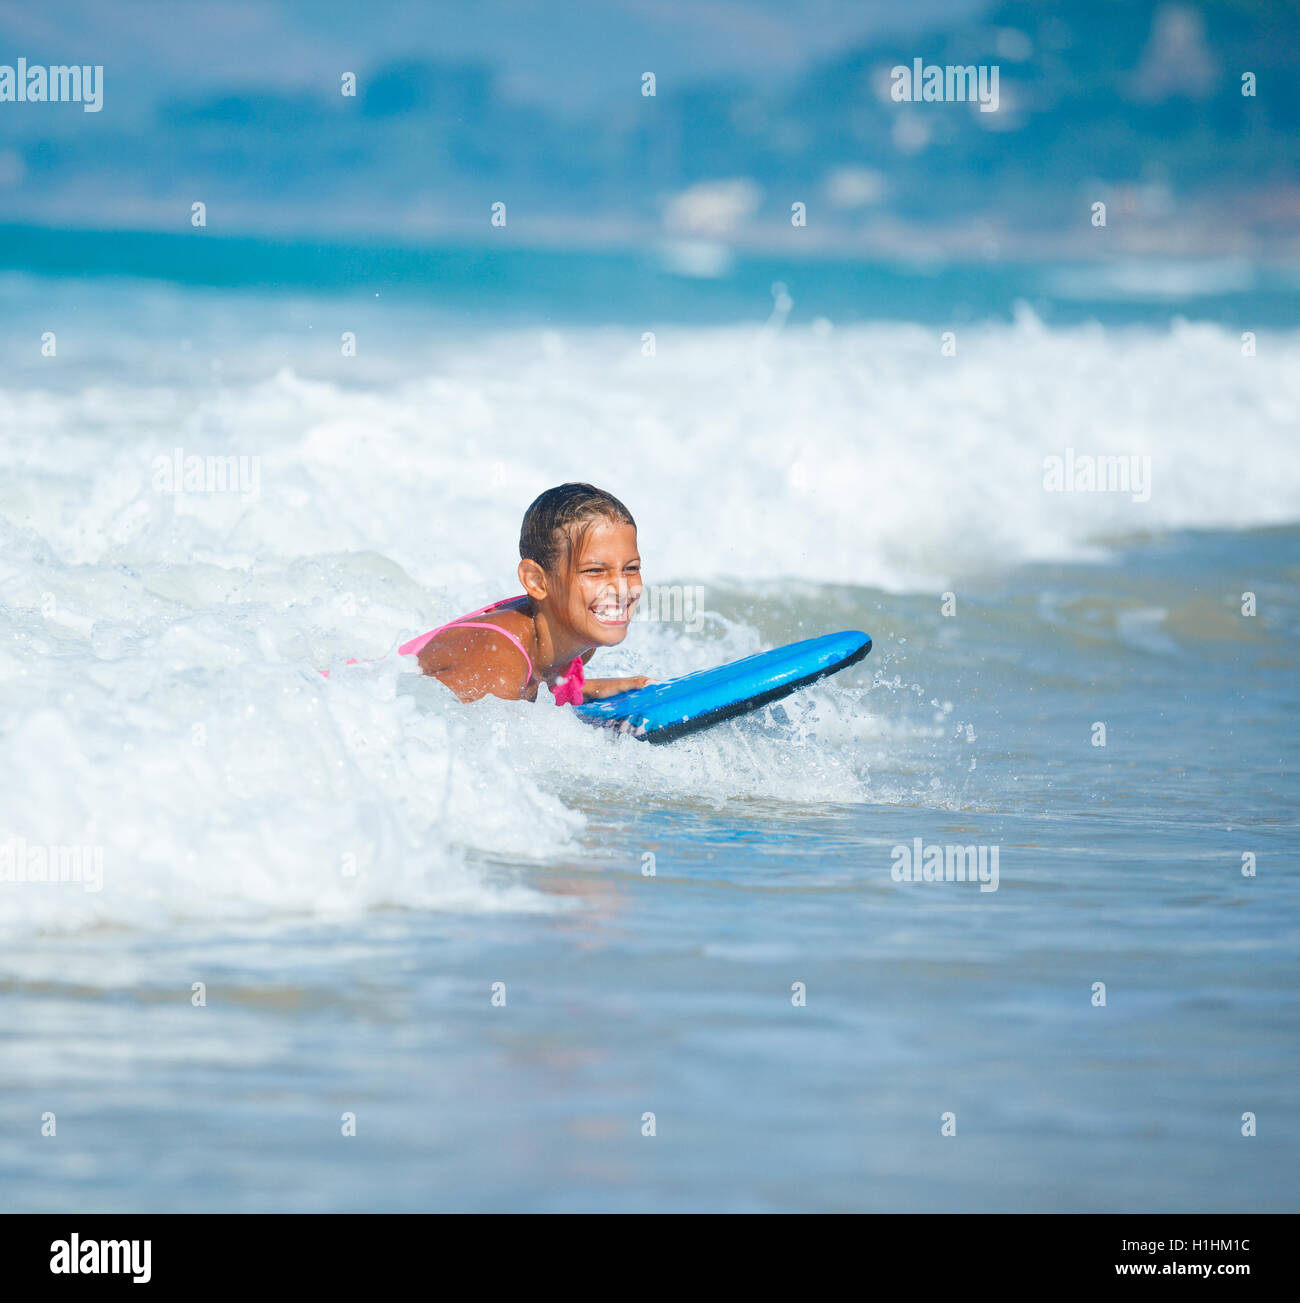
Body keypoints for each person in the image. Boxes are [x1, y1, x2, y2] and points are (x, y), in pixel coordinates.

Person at [400, 483, 653, 704]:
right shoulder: (495, 663)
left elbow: (545, 687)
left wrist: (602, 689)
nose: (621, 588)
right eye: (595, 571)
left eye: (631, 568)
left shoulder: (575, 634)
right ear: (536, 581)